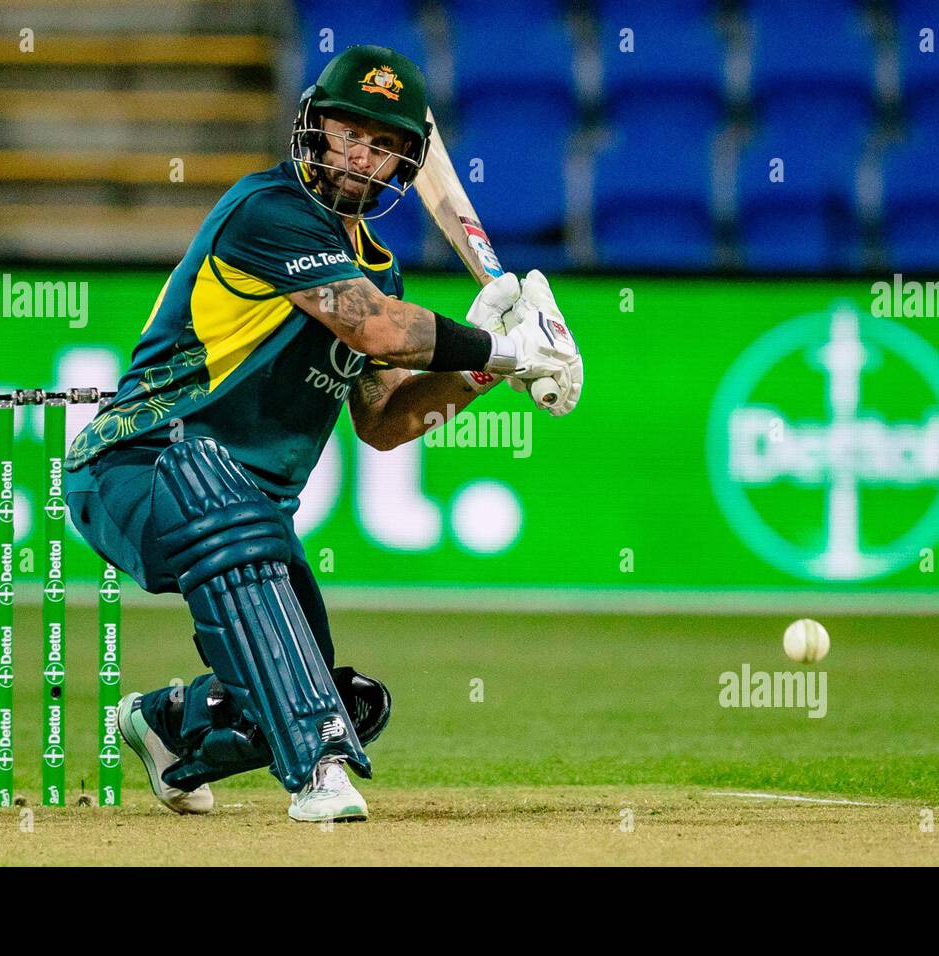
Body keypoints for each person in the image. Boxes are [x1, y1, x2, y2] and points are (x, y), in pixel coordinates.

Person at [63, 44, 583, 823]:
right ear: (312, 129)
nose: (361, 156)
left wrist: (485, 375)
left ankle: (171, 729)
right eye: (348, 133)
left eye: (383, 145)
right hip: (138, 464)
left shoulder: (380, 268)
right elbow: (374, 328)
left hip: (250, 518)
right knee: (217, 493)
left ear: (407, 162)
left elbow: (384, 421)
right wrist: (507, 346)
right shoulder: (265, 210)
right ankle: (320, 770)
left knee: (323, 689)